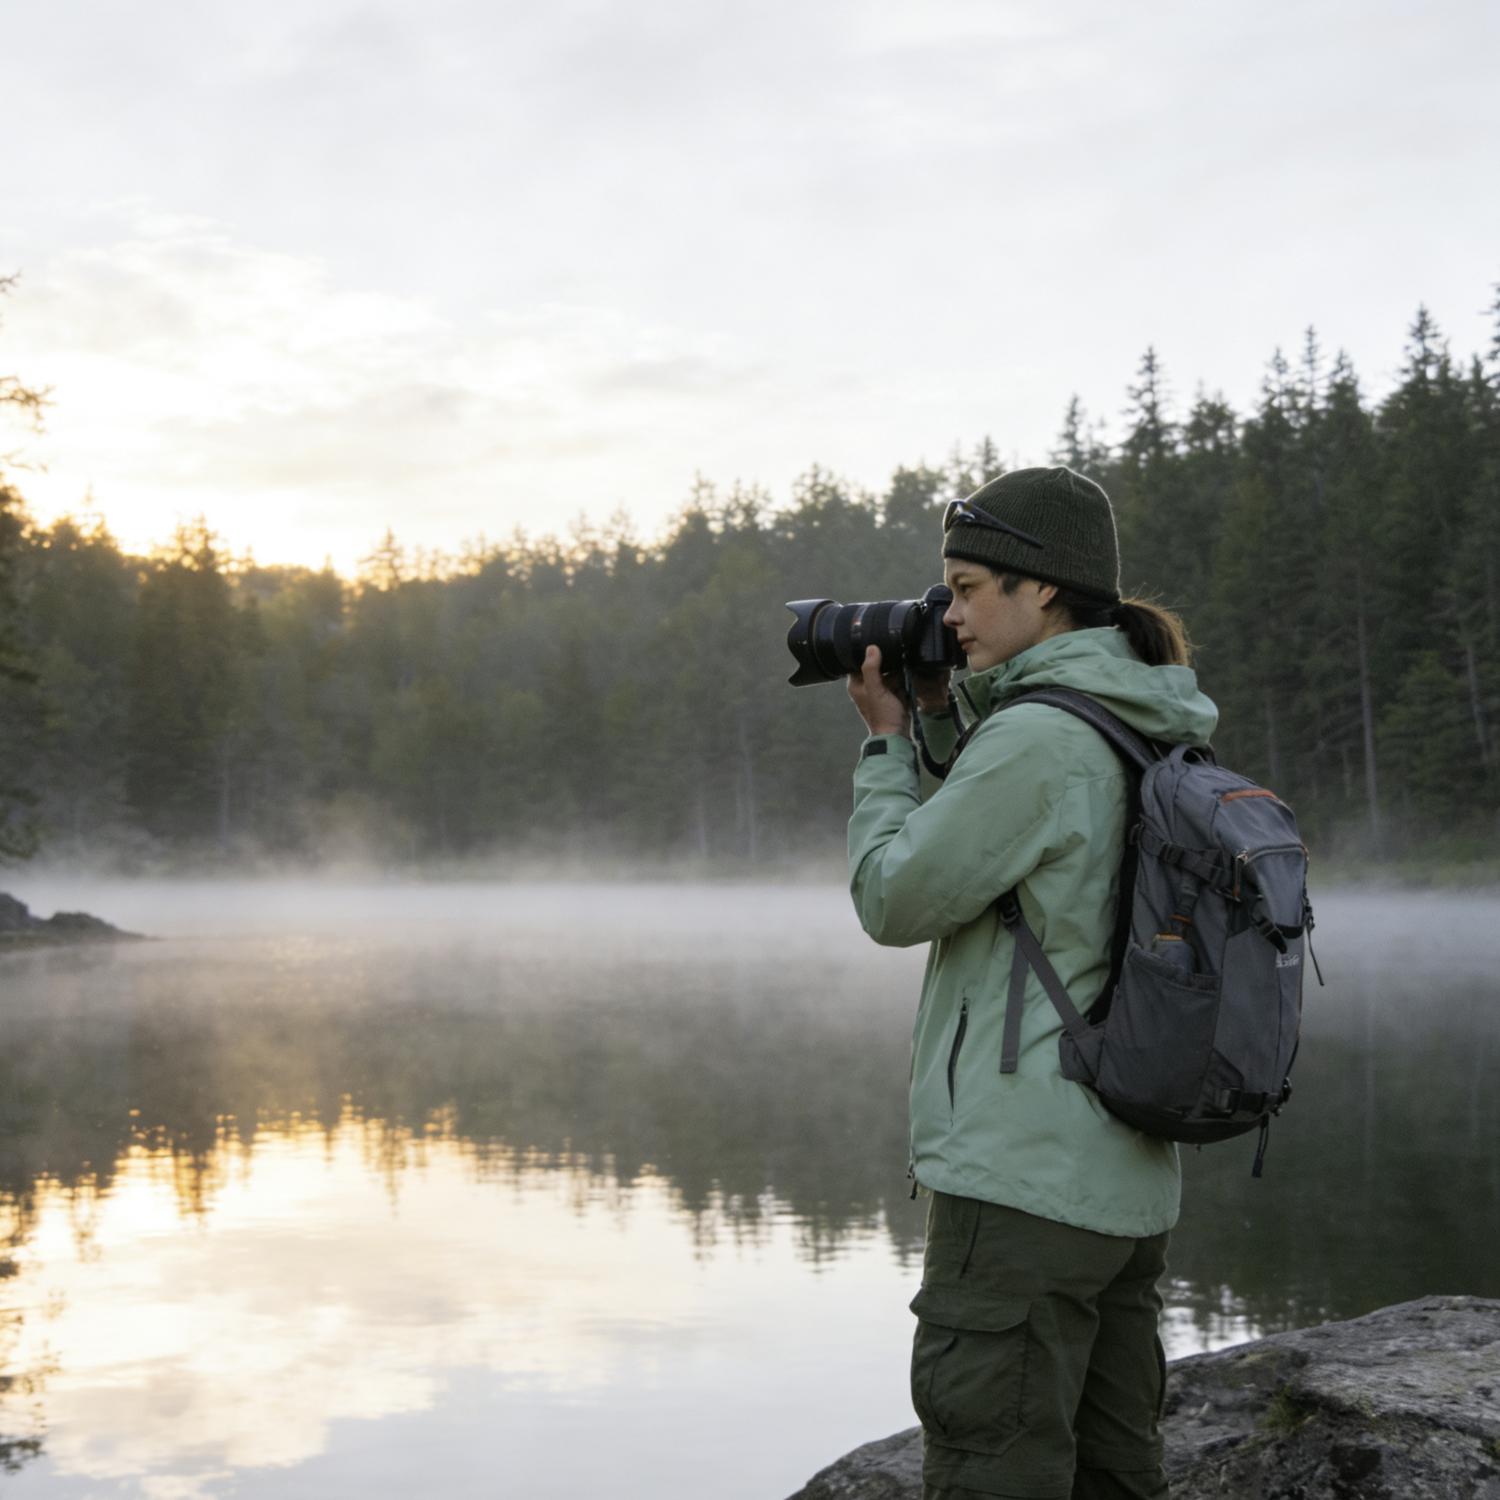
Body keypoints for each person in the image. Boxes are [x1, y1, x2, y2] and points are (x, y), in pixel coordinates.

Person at [845, 466, 1218, 1500]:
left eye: (967, 587)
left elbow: (895, 899)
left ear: (1043, 589)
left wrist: (885, 749)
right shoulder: (1140, 714)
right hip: (1123, 1180)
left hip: (1020, 1183)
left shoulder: (1041, 737)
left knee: (991, 1470)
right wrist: (946, 718)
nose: (949, 613)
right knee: (1113, 1474)